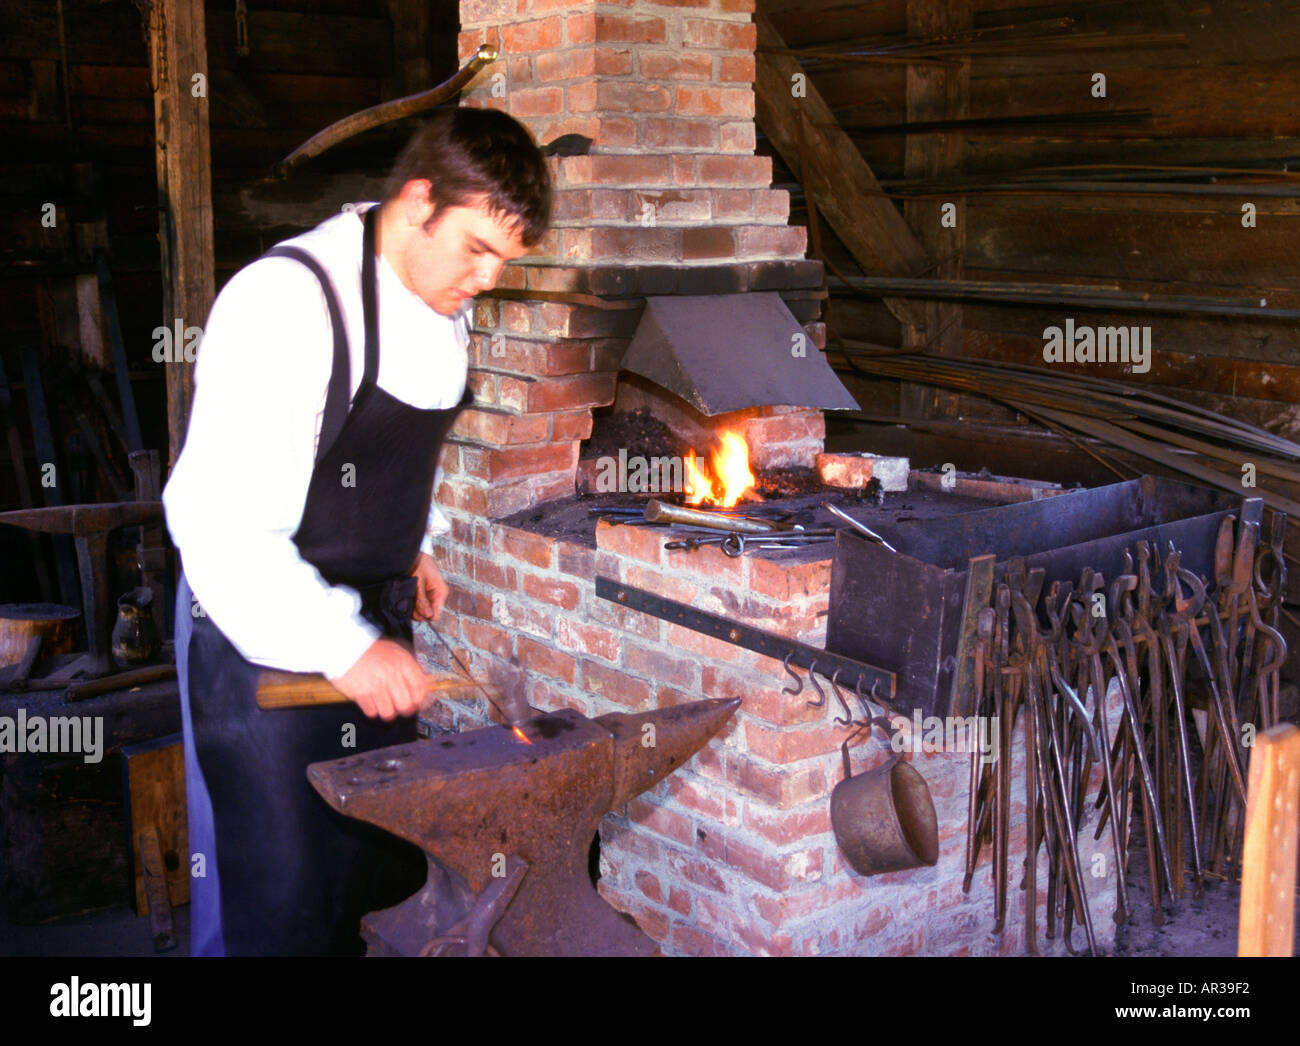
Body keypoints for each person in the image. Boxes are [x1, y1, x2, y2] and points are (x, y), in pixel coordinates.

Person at [163, 107, 551, 956]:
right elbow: (222, 525)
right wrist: (344, 645)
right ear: (418, 202)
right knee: (276, 900)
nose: (486, 277)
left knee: (372, 886)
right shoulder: (289, 303)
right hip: (260, 632)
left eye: (505, 260)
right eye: (477, 249)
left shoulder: (440, 301)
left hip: (368, 621)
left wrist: (413, 542)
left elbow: (378, 449)